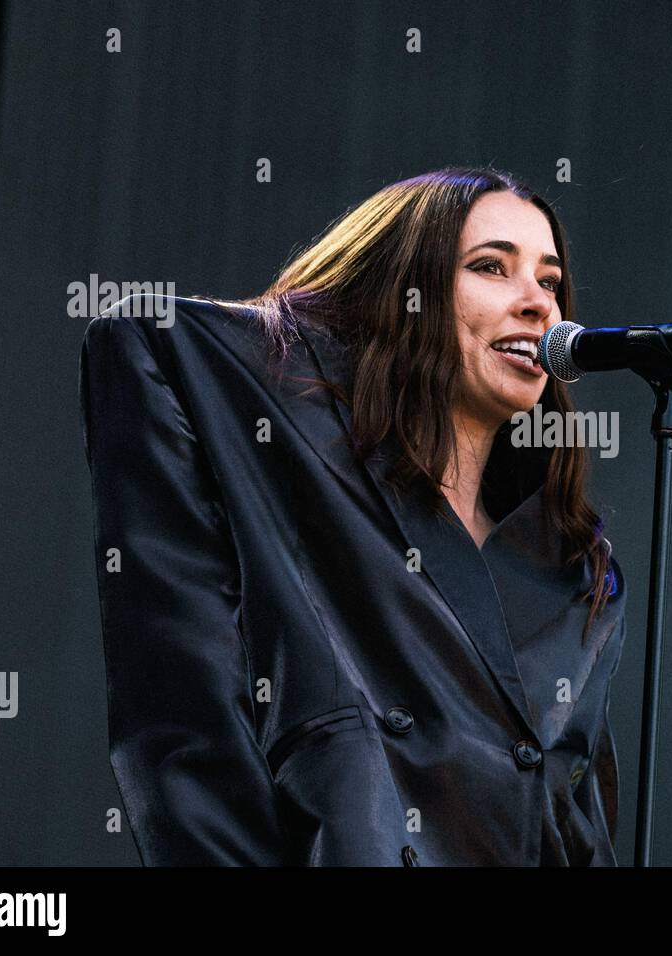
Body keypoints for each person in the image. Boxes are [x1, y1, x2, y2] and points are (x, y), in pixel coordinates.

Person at [78, 166, 626, 866]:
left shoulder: (576, 571)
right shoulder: (287, 453)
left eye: (550, 282)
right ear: (402, 292)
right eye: (492, 267)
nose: (539, 306)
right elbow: (182, 722)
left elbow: (576, 820)